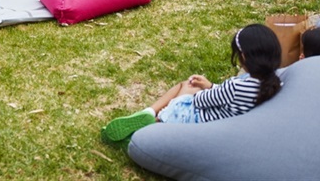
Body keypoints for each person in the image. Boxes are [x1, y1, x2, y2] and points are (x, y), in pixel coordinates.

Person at [101, 24, 282, 142]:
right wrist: (211, 86)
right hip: (223, 122)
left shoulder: (237, 86)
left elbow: (201, 101)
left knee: (187, 86)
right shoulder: (271, 81)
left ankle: (150, 119)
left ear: (243, 57)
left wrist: (199, 90)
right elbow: (228, 97)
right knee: (191, 86)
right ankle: (148, 118)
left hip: (197, 122)